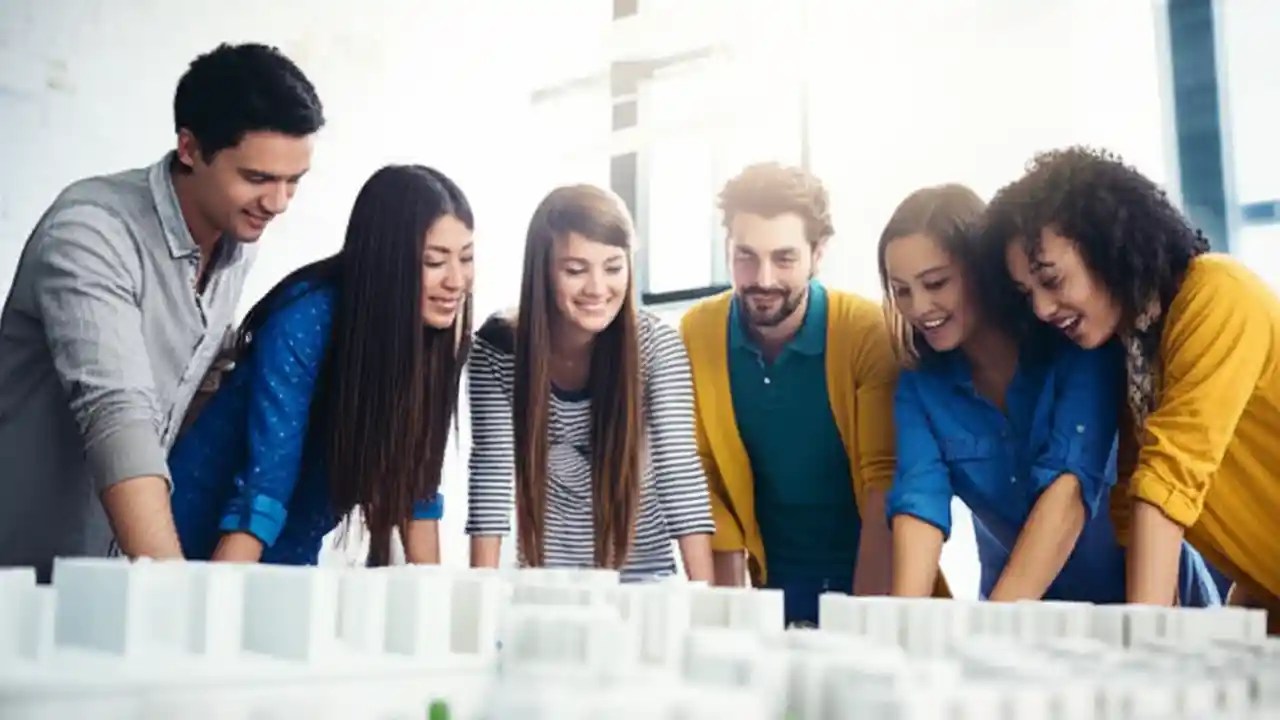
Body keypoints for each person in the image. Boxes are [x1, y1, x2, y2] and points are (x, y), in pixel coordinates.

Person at [0, 43, 324, 581]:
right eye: (258, 178)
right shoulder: (91, 232)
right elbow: (117, 413)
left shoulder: (235, 239)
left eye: (294, 181)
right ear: (190, 148)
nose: (279, 202)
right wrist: (173, 590)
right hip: (17, 576)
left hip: (109, 579)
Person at [881, 183, 1221, 605]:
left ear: (983, 270)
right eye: (902, 291)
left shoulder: (1078, 346)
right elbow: (919, 506)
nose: (920, 307)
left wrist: (993, 622)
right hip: (1023, 623)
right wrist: (902, 627)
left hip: (1147, 605)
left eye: (936, 283)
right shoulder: (919, 386)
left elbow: (1069, 491)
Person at [997, 146, 1274, 627]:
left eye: (1052, 279)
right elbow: (1134, 507)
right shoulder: (1134, 352)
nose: (1041, 309)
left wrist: (1144, 655)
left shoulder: (1217, 293)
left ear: (1108, 245)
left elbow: (1169, 482)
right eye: (1028, 295)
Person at [166, 165, 473, 567]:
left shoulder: (435, 331)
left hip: (294, 549)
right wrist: (210, 598)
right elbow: (265, 485)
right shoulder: (306, 319)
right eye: (435, 262)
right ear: (387, 264)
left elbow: (418, 489)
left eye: (466, 258)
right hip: (202, 538)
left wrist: (439, 615)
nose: (456, 281)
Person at [680, 163, 945, 627]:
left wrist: (859, 628)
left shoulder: (867, 332)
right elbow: (706, 483)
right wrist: (726, 621)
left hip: (872, 594)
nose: (762, 278)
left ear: (818, 253)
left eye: (784, 258)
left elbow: (883, 486)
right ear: (727, 247)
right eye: (745, 256)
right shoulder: (697, 332)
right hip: (766, 600)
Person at [466, 185, 715, 582]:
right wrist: (478, 600)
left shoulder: (657, 346)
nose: (598, 288)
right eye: (576, 270)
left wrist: (707, 601)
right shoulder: (497, 350)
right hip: (546, 584)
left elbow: (679, 470)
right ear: (542, 271)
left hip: (644, 581)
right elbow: (491, 474)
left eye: (614, 267)